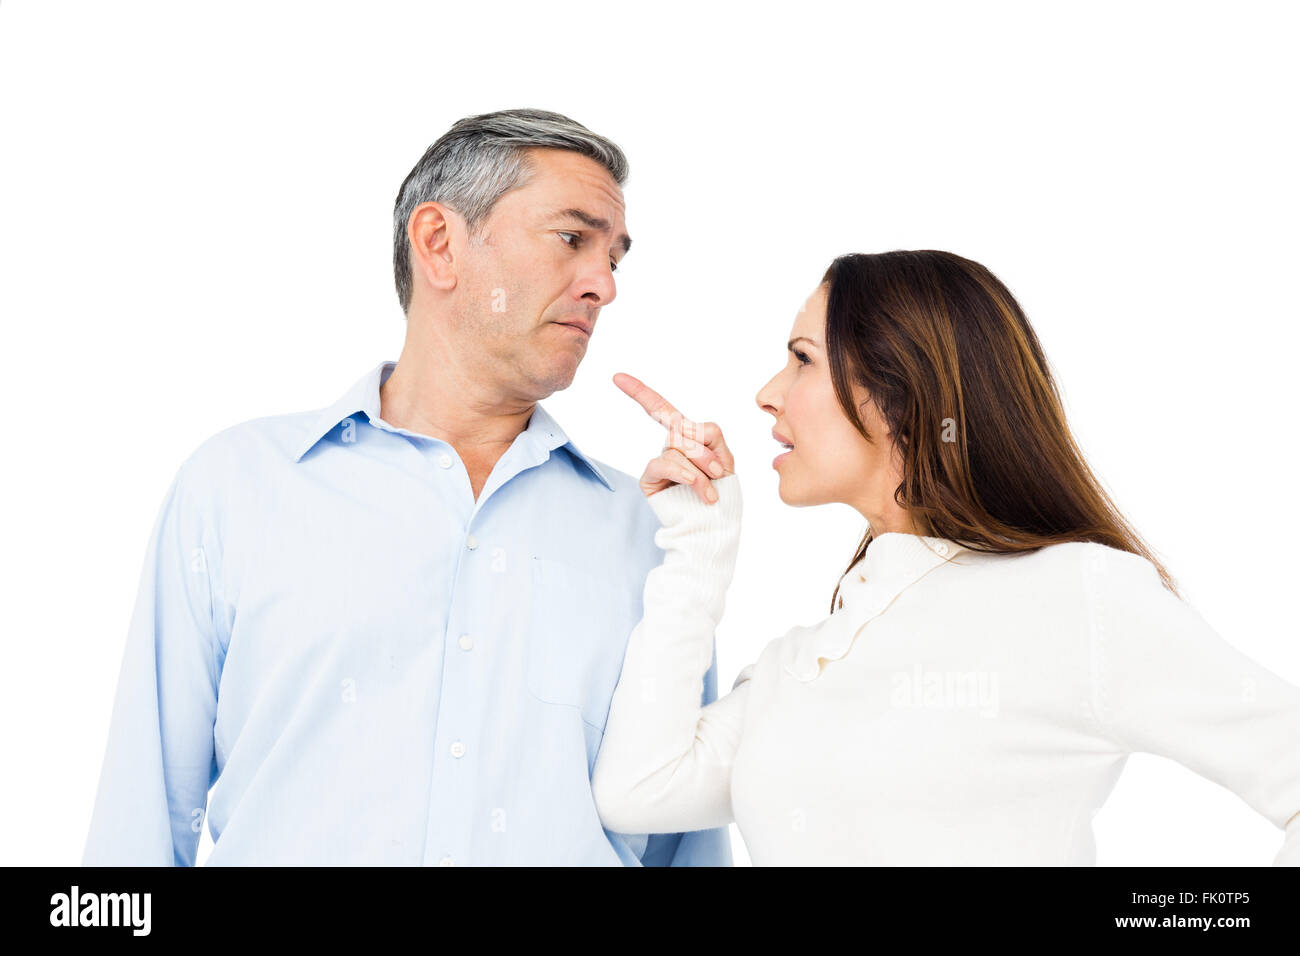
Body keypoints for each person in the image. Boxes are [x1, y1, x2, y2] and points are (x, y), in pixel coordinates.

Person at [81, 108, 732, 866]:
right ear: (439, 244)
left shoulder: (653, 532)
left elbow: (687, 836)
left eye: (615, 258)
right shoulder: (234, 489)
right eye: (572, 239)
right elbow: (140, 828)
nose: (604, 285)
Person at [590, 250, 1300, 865]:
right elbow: (639, 788)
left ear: (898, 394)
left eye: (802, 359)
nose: (768, 394)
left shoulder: (1075, 594)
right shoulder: (797, 667)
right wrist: (697, 545)